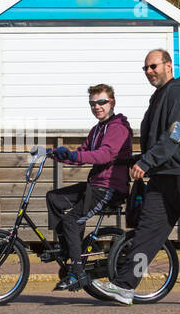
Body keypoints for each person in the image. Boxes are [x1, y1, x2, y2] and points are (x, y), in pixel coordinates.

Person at [91, 49, 180, 307]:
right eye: (145, 68)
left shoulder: (179, 93)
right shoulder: (159, 96)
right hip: (162, 176)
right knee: (147, 233)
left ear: (169, 65)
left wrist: (146, 161)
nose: (149, 72)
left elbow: (174, 134)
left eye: (153, 66)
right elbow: (155, 138)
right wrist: (140, 159)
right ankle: (125, 286)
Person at [43, 85, 132, 292]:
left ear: (112, 103)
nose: (97, 107)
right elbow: (83, 152)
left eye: (101, 102)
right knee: (53, 198)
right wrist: (56, 154)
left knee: (71, 220)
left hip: (109, 187)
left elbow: (104, 155)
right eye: (93, 103)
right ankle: (70, 252)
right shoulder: (97, 129)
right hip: (95, 185)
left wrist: (76, 156)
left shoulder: (118, 128)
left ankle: (78, 272)